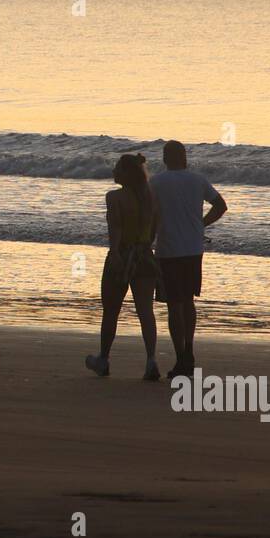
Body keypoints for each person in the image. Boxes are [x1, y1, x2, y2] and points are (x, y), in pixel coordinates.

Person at [151, 140, 227, 379]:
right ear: (184, 157)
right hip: (193, 249)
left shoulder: (156, 182)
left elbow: (151, 215)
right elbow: (221, 206)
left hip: (168, 249)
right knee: (188, 301)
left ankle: (181, 355)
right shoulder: (198, 180)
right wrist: (200, 225)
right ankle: (189, 351)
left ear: (165, 158)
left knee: (174, 304)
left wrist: (146, 240)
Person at [86, 153, 162, 380]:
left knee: (111, 311)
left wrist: (115, 252)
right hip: (144, 256)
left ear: (126, 174)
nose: (113, 172)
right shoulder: (151, 198)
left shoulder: (114, 197)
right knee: (145, 311)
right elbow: (153, 231)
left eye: (117, 168)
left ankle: (104, 359)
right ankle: (151, 360)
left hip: (122, 255)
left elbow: (116, 228)